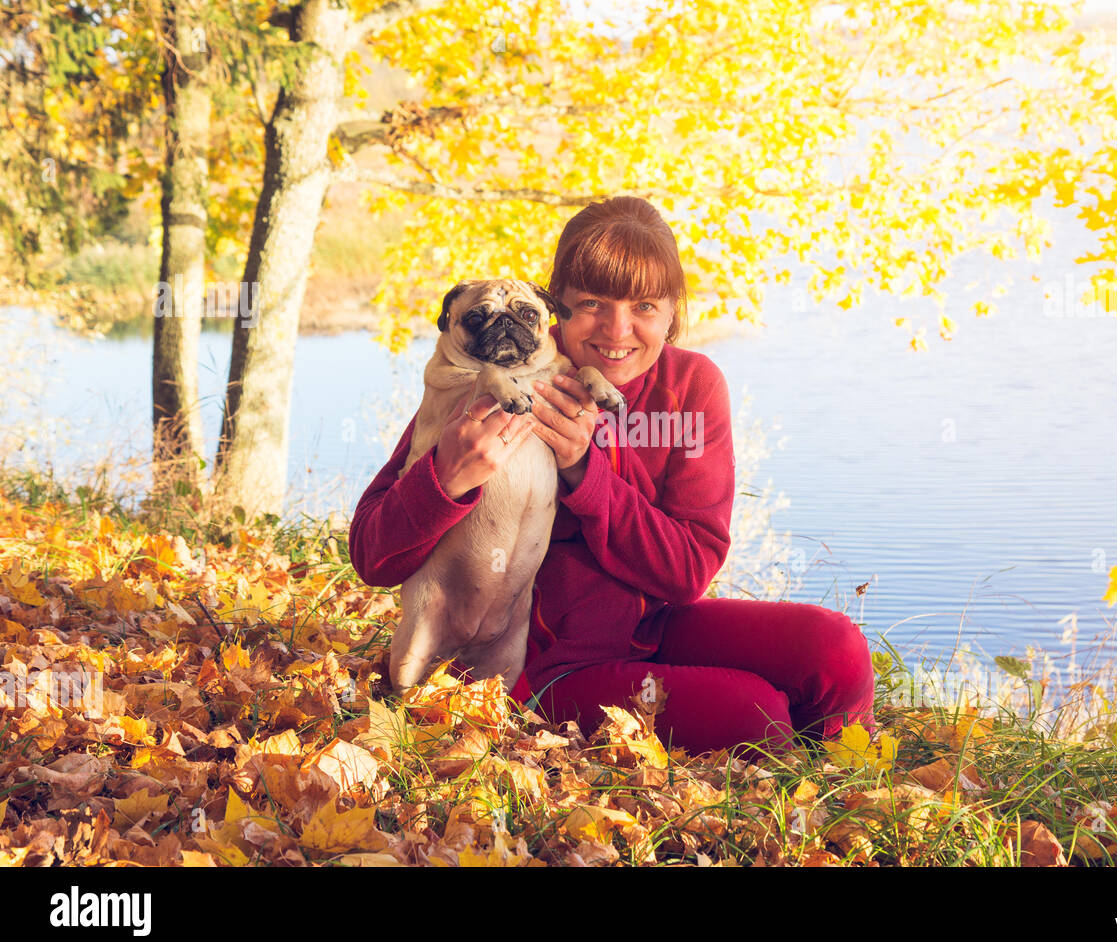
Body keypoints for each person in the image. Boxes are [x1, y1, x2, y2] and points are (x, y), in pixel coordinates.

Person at [348, 196, 874, 756]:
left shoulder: (690, 387)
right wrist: (444, 480)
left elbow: (689, 571)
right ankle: (783, 753)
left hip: (656, 629)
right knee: (757, 715)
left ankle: (841, 776)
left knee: (837, 650)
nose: (617, 329)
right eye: (592, 303)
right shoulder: (498, 385)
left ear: (674, 311)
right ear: (556, 308)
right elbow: (372, 557)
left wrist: (582, 470)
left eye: (645, 305)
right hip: (541, 662)